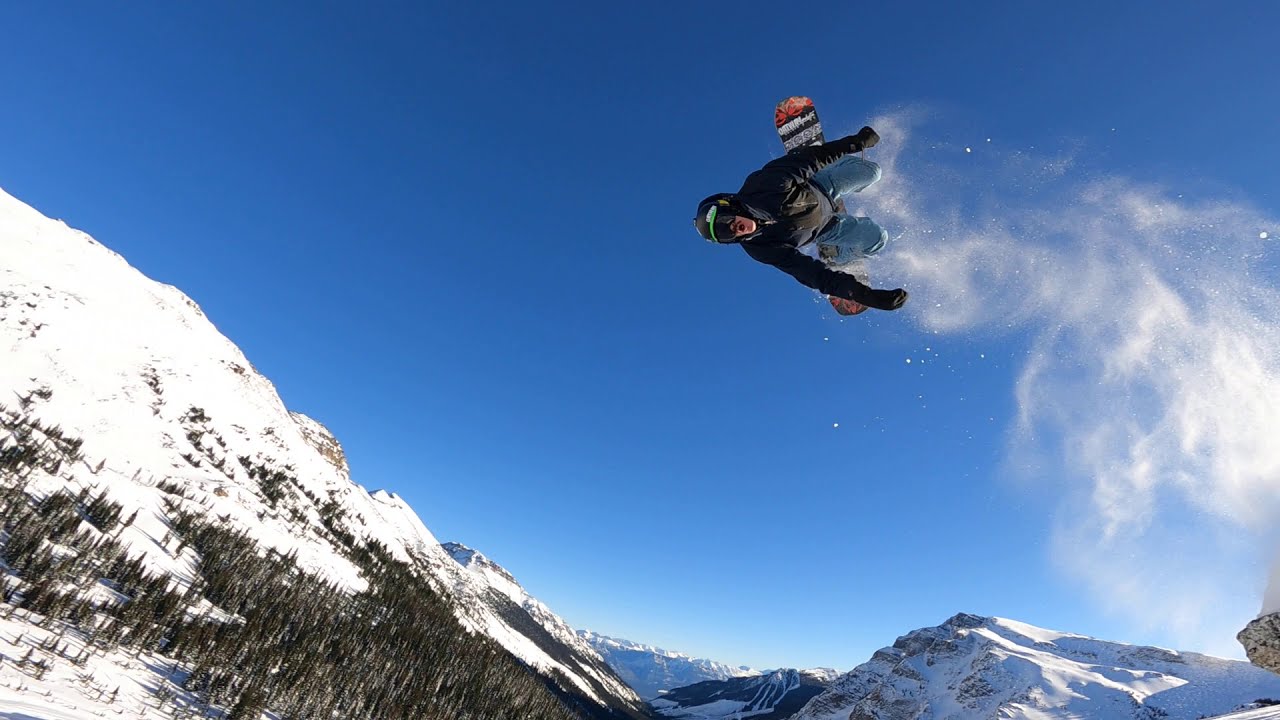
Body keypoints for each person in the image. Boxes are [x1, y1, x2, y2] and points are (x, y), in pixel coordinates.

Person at [693, 126, 908, 312]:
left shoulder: (763, 185)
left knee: (872, 172)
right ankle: (838, 254)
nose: (735, 228)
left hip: (821, 186)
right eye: (726, 235)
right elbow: (812, 275)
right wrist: (864, 295)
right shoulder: (760, 248)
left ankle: (804, 170)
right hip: (825, 228)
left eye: (727, 221)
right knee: (879, 239)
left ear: (730, 205)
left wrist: (854, 143)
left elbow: (813, 158)